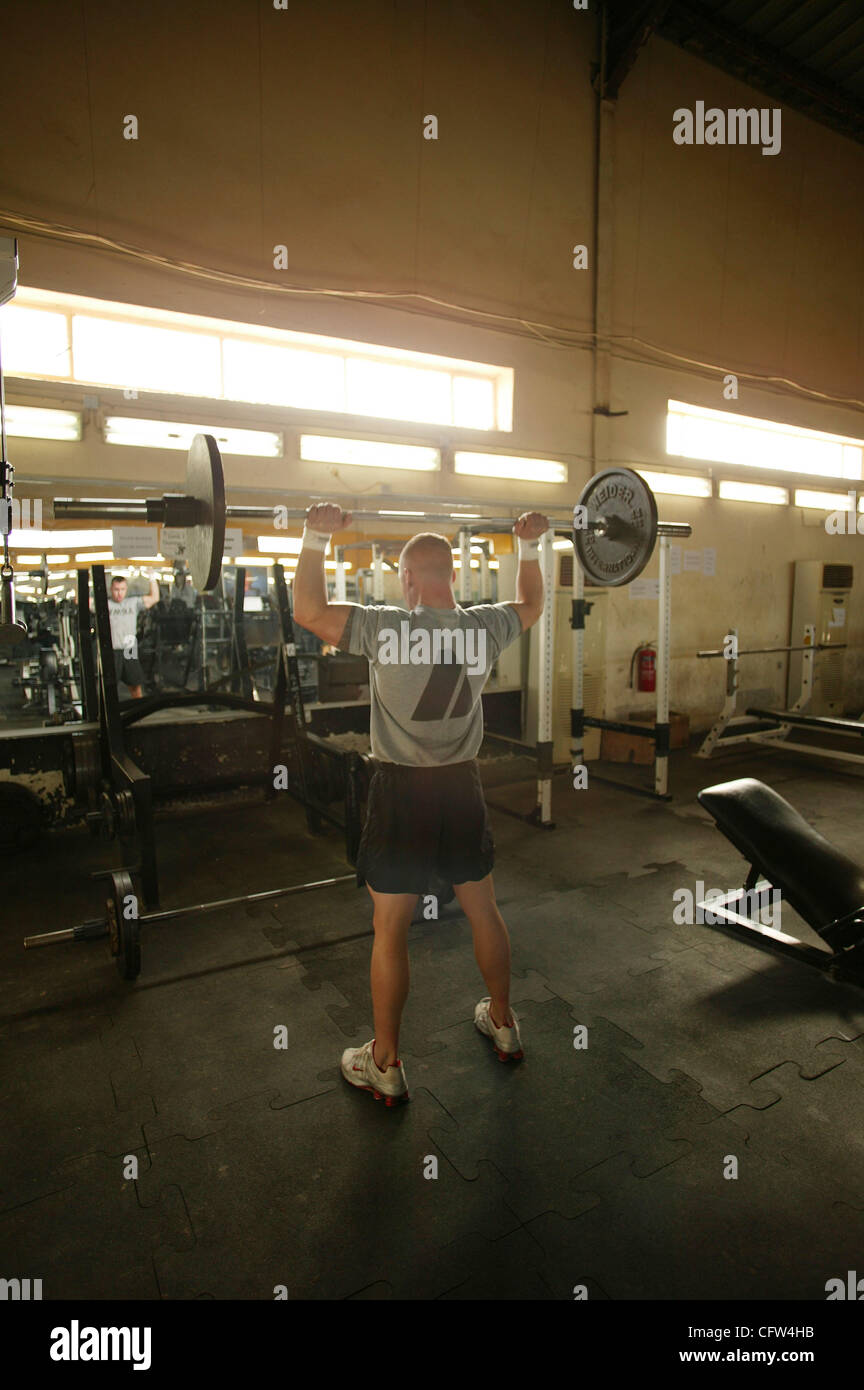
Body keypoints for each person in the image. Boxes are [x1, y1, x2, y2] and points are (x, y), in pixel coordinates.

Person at [293, 504, 549, 1106]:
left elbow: (307, 611)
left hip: (401, 790)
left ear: (408, 581)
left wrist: (315, 535)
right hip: (462, 785)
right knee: (483, 911)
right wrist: (530, 546)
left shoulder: (386, 626)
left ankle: (384, 1063)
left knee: (391, 930)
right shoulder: (485, 626)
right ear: (453, 576)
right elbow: (533, 604)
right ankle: (505, 1023)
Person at [105, 573, 160, 698]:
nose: (119, 593)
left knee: (135, 687)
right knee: (109, 690)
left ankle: (139, 714)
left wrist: (152, 576)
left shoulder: (133, 602)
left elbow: (155, 598)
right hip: (112, 650)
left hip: (129, 649)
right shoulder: (105, 604)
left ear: (126, 590)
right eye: (116, 590)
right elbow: (82, 601)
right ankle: (110, 716)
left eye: (122, 589)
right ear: (111, 590)